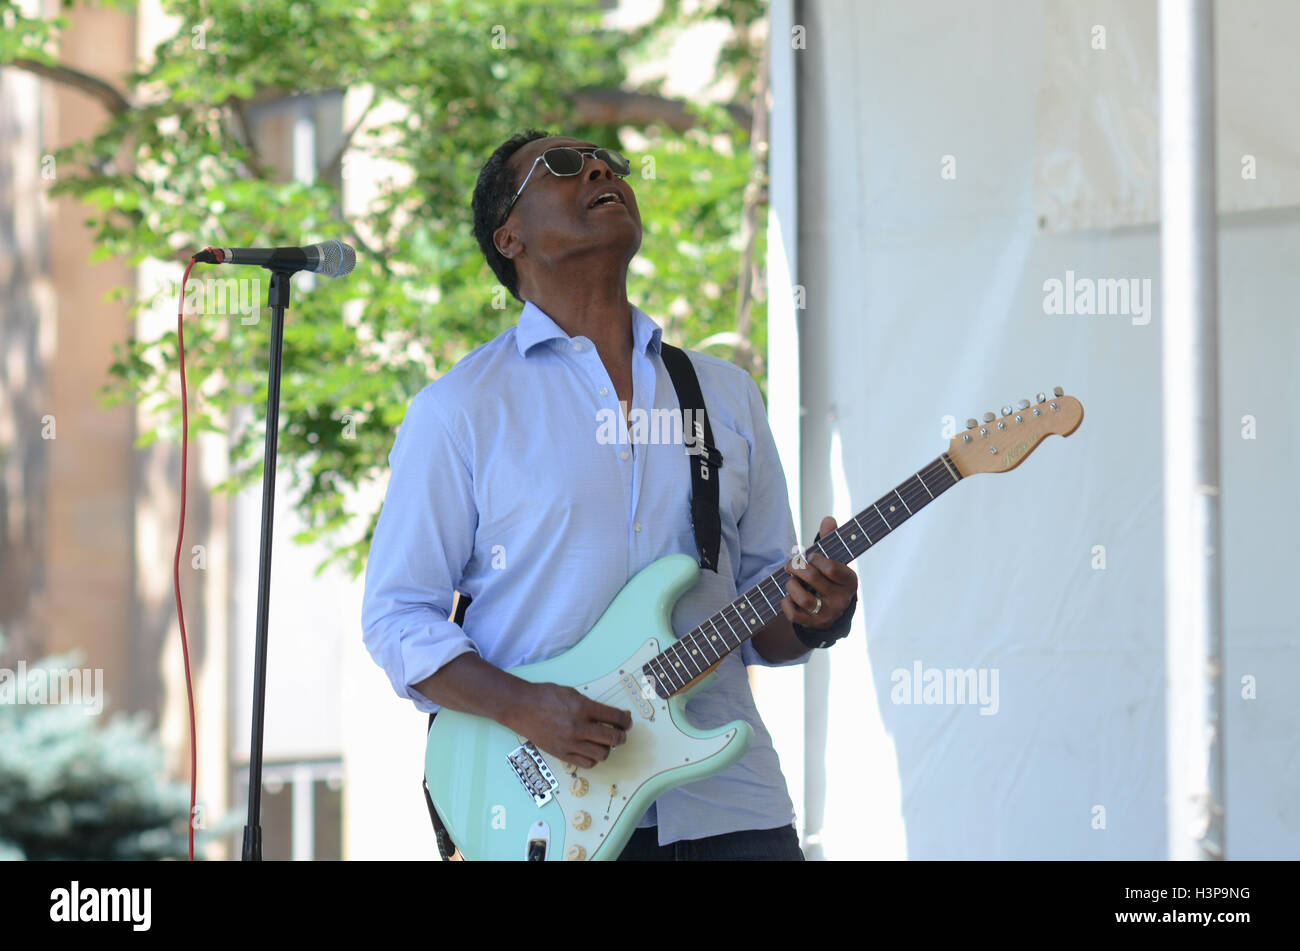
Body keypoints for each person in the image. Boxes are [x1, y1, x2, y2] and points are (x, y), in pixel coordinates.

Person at [361, 129, 858, 861]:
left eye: (608, 161)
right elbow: (398, 614)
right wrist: (525, 706)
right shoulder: (461, 409)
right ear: (510, 237)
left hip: (730, 811)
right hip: (552, 815)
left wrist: (819, 614)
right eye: (562, 166)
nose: (599, 167)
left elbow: (762, 616)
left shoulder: (722, 394)